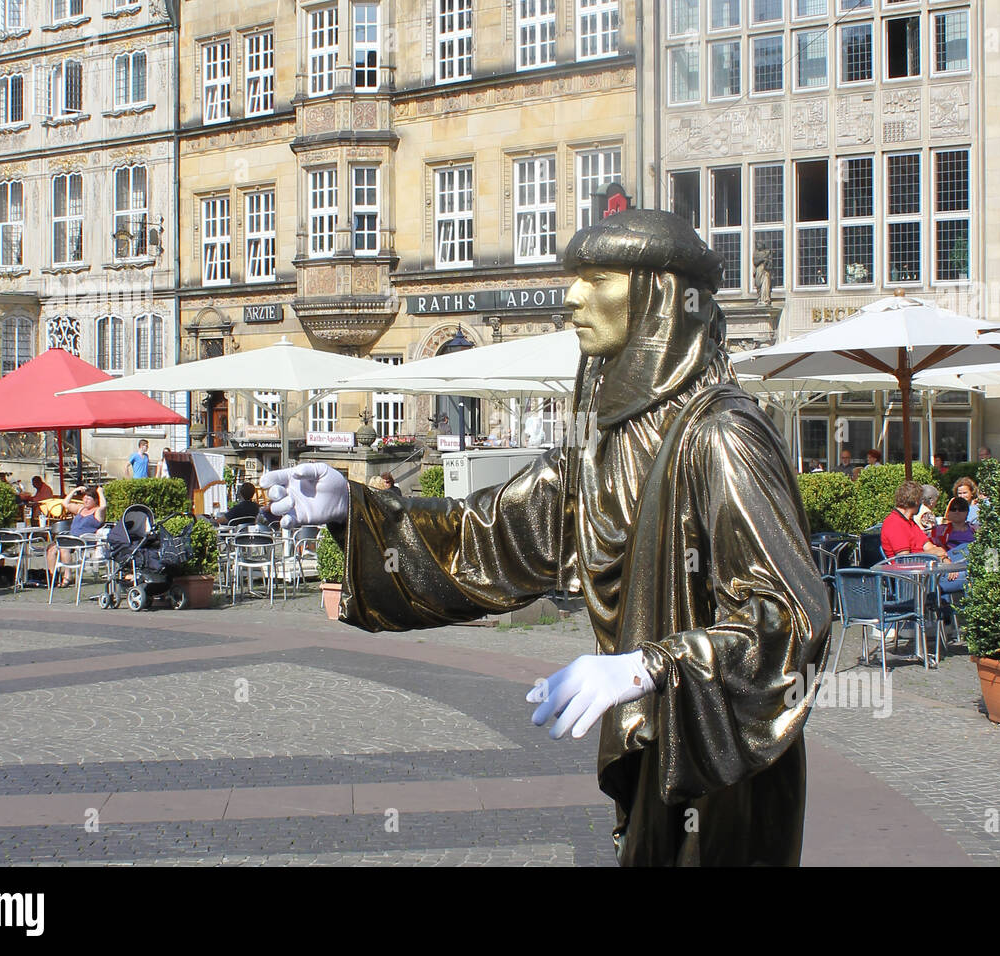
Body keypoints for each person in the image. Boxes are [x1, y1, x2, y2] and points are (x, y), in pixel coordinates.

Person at [258, 209, 831, 867]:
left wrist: (653, 665)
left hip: (724, 753)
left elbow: (787, 619)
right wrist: (356, 510)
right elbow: (493, 536)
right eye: (575, 277)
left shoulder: (722, 436)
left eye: (599, 279)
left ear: (660, 298)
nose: (572, 296)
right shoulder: (603, 443)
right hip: (657, 734)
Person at [46, 485, 106, 585]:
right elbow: (65, 503)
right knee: (51, 549)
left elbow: (104, 506)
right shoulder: (81, 509)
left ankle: (67, 576)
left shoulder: (97, 511)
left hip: (85, 540)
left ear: (95, 500)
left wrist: (100, 492)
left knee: (64, 548)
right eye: (84, 498)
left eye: (88, 499)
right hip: (71, 538)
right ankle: (53, 576)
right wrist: (75, 490)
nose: (85, 501)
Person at [881, 481, 948, 560]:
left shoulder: (910, 522)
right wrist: (933, 553)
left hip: (926, 567)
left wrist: (944, 559)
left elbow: (928, 546)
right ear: (916, 501)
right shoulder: (894, 523)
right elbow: (904, 559)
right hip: (907, 571)